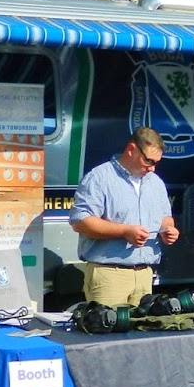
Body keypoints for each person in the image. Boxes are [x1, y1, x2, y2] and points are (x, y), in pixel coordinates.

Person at [69, 127, 179, 306]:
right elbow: (81, 222)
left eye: (157, 163)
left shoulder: (156, 183)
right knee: (108, 331)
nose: (152, 168)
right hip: (110, 275)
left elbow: (165, 217)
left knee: (143, 331)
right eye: (148, 161)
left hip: (144, 275)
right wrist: (124, 231)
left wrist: (168, 229)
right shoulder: (99, 178)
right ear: (131, 149)